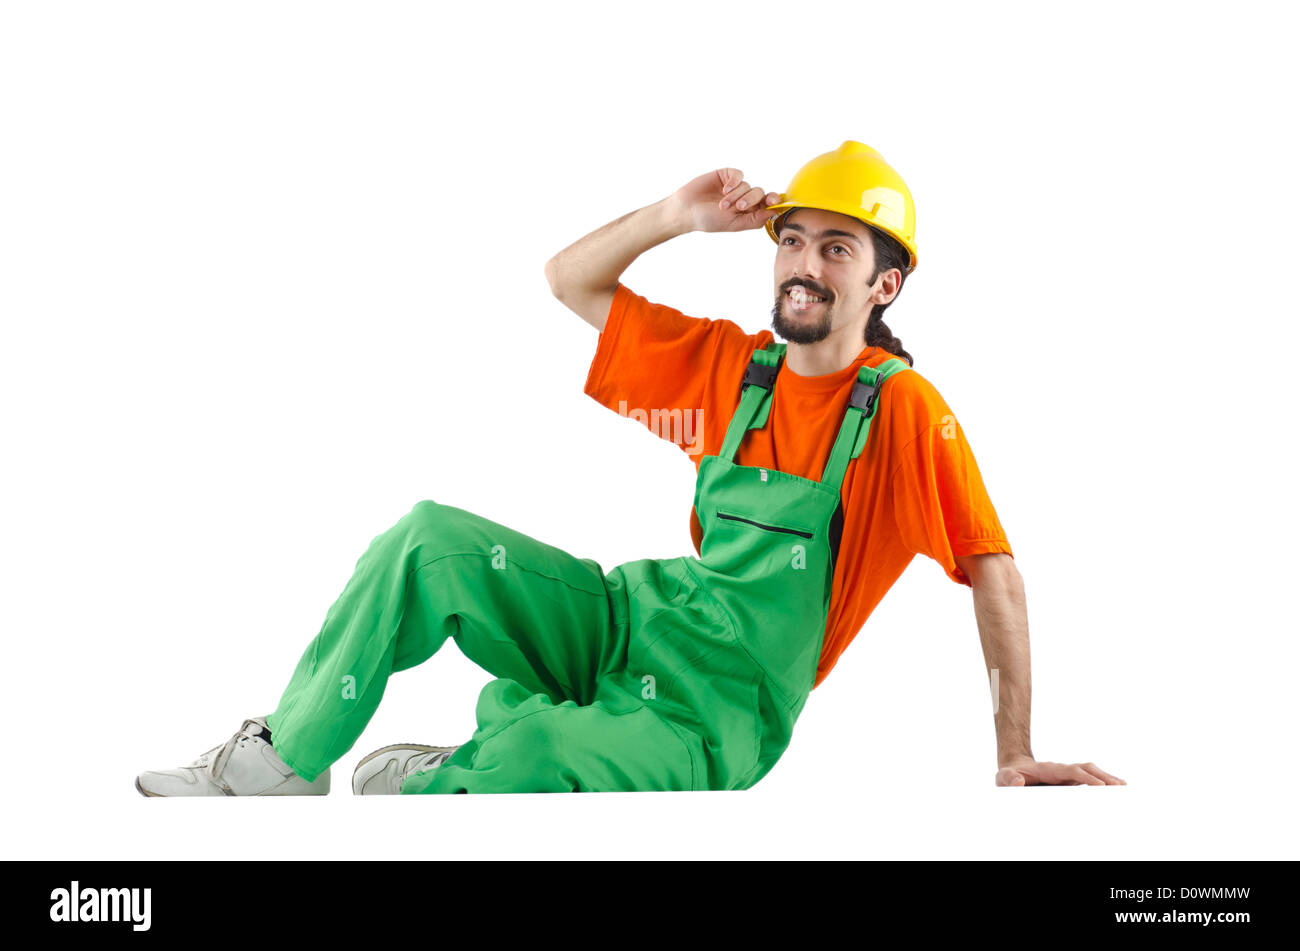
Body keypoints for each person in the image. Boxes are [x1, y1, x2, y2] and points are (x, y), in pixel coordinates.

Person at [136, 141, 1124, 796]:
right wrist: (672, 214)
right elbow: (570, 280)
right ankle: (280, 767)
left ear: (884, 281)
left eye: (836, 247)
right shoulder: (734, 372)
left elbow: (992, 568)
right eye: (792, 239)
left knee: (534, 758)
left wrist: (1012, 751)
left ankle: (469, 769)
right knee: (428, 537)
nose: (804, 264)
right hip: (625, 620)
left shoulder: (900, 413)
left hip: (714, 714)